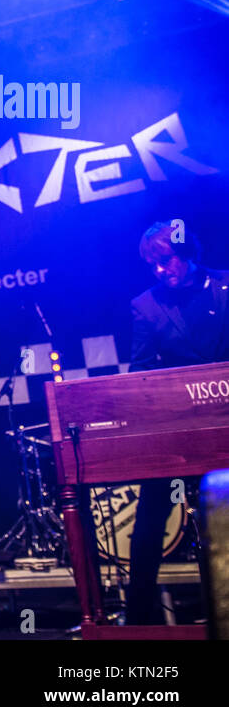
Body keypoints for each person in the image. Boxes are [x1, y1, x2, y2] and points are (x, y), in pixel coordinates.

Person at [126, 219, 228, 623]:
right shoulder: (146, 305)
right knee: (151, 516)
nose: (159, 270)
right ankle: (138, 616)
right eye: (151, 264)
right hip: (177, 430)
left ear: (186, 252)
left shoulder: (225, 285)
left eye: (165, 260)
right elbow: (140, 372)